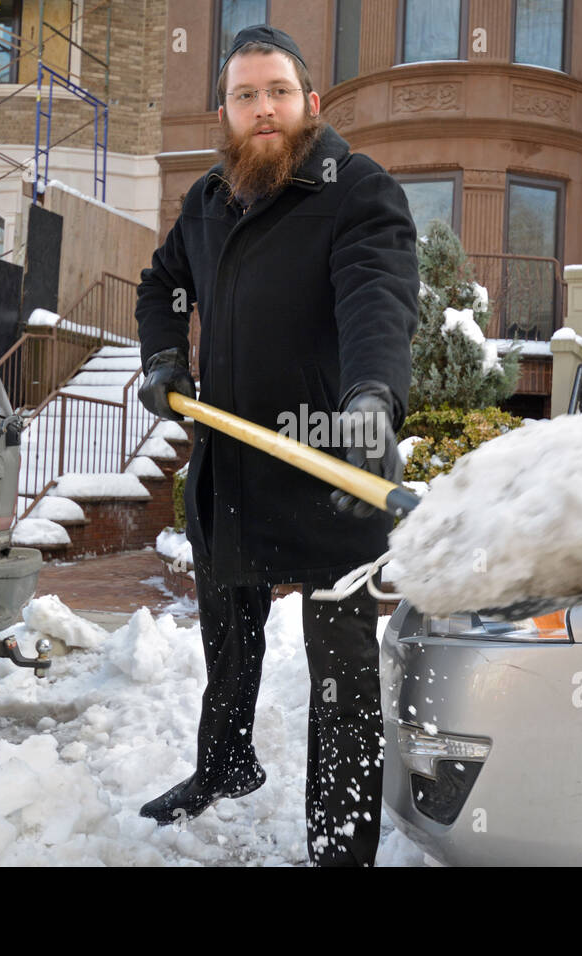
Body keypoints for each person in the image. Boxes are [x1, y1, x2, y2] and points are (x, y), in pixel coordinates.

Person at [133, 24, 419, 866]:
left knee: (341, 675)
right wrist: (159, 356)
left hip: (331, 459)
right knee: (228, 635)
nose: (264, 109)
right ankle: (224, 765)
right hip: (232, 464)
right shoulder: (209, 200)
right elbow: (161, 283)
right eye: (246, 95)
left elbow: (378, 292)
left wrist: (371, 394)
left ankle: (340, 840)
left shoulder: (355, 189)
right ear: (224, 111)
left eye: (279, 93)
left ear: (311, 104)